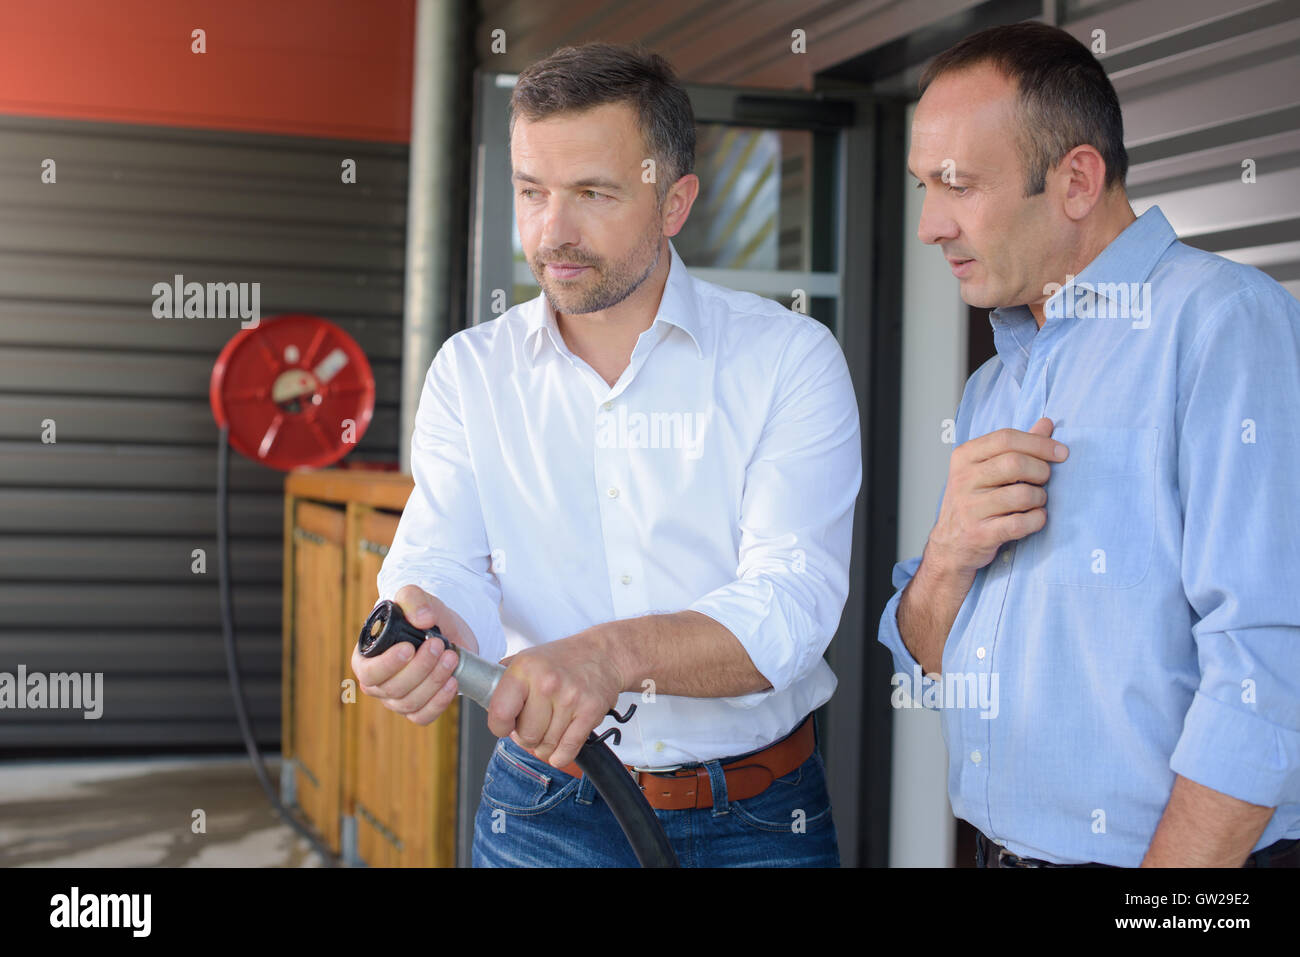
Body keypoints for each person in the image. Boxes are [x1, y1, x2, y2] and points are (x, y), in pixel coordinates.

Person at [351, 41, 861, 867]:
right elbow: (447, 563)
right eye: (531, 192)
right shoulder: (470, 372)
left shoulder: (788, 359)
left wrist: (608, 657)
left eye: (592, 193)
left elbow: (791, 608)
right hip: (545, 808)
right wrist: (429, 617)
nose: (554, 232)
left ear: (674, 201)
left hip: (761, 821)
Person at [878, 21, 1300, 867]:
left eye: (957, 186)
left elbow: (1270, 664)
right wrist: (949, 552)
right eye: (925, 186)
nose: (929, 225)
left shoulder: (1222, 324)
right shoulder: (993, 383)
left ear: (1077, 179)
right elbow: (925, 658)